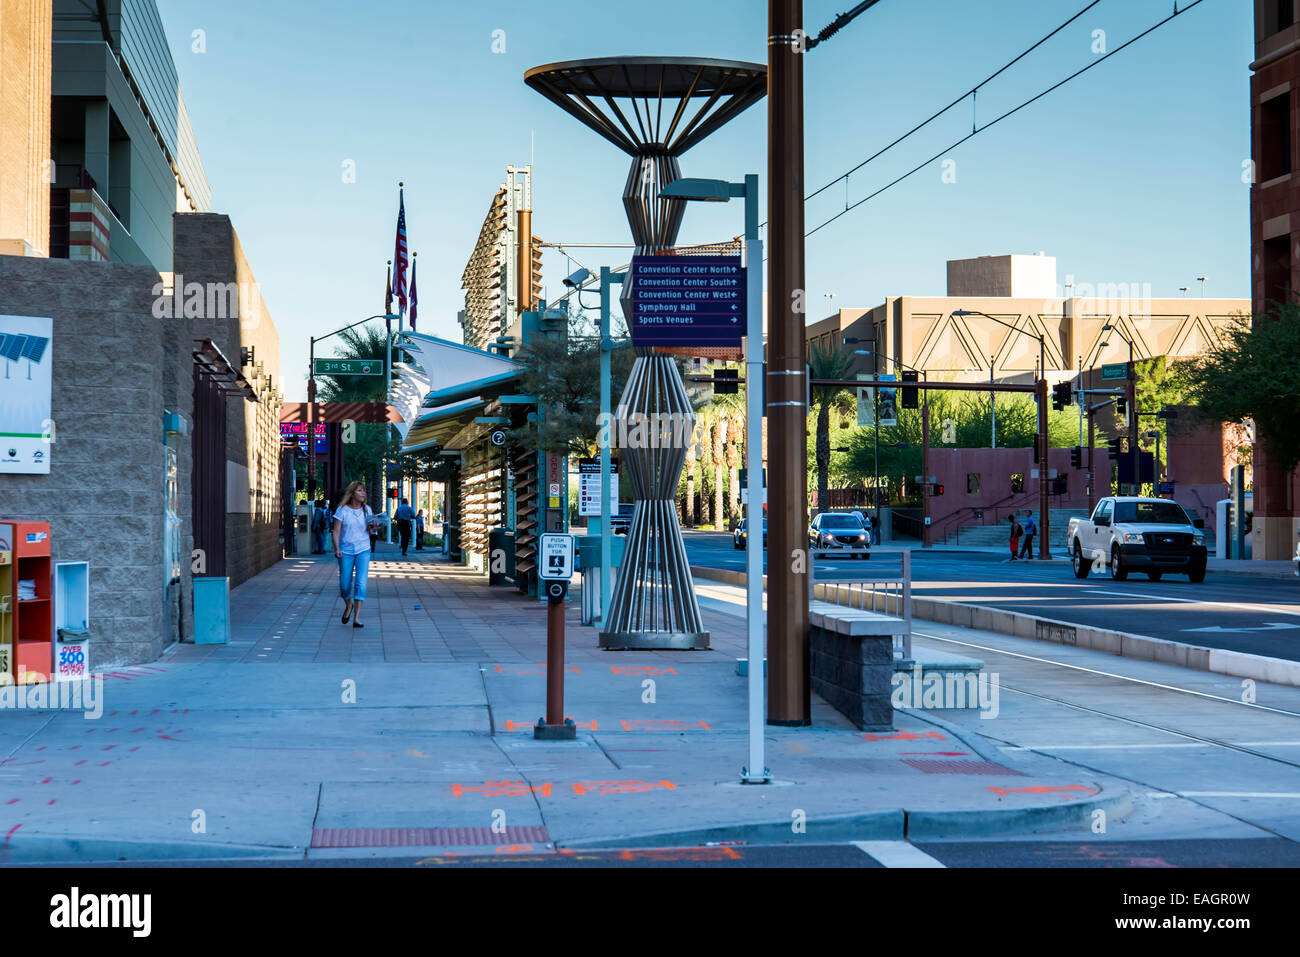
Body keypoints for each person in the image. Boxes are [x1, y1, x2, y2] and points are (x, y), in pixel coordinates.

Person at [333, 480, 377, 628]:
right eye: (359, 490)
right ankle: (348, 605)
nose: (363, 493)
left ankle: (356, 618)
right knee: (345, 585)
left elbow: (371, 531)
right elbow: (336, 531)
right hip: (345, 551)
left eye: (364, 490)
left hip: (363, 549)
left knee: (361, 583)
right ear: (352, 494)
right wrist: (337, 548)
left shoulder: (367, 510)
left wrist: (375, 527)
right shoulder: (342, 510)